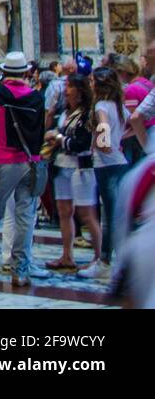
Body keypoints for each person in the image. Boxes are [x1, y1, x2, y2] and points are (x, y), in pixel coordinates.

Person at [0, 52, 46, 288]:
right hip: (29, 164)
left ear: (4, 71)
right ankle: (20, 272)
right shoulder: (37, 97)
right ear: (25, 72)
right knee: (25, 218)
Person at [43, 74, 102, 274]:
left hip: (81, 167)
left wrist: (59, 138)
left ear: (80, 90)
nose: (66, 90)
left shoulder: (87, 114)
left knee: (86, 213)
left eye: (69, 86)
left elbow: (82, 143)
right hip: (61, 166)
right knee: (64, 211)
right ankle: (67, 255)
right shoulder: (63, 111)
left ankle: (99, 257)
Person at [88, 68, 129, 282]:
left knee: (110, 216)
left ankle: (106, 262)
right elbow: (129, 126)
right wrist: (117, 143)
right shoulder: (119, 106)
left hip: (107, 165)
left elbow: (103, 123)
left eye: (93, 80)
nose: (90, 83)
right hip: (119, 163)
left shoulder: (102, 106)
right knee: (115, 213)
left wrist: (103, 144)